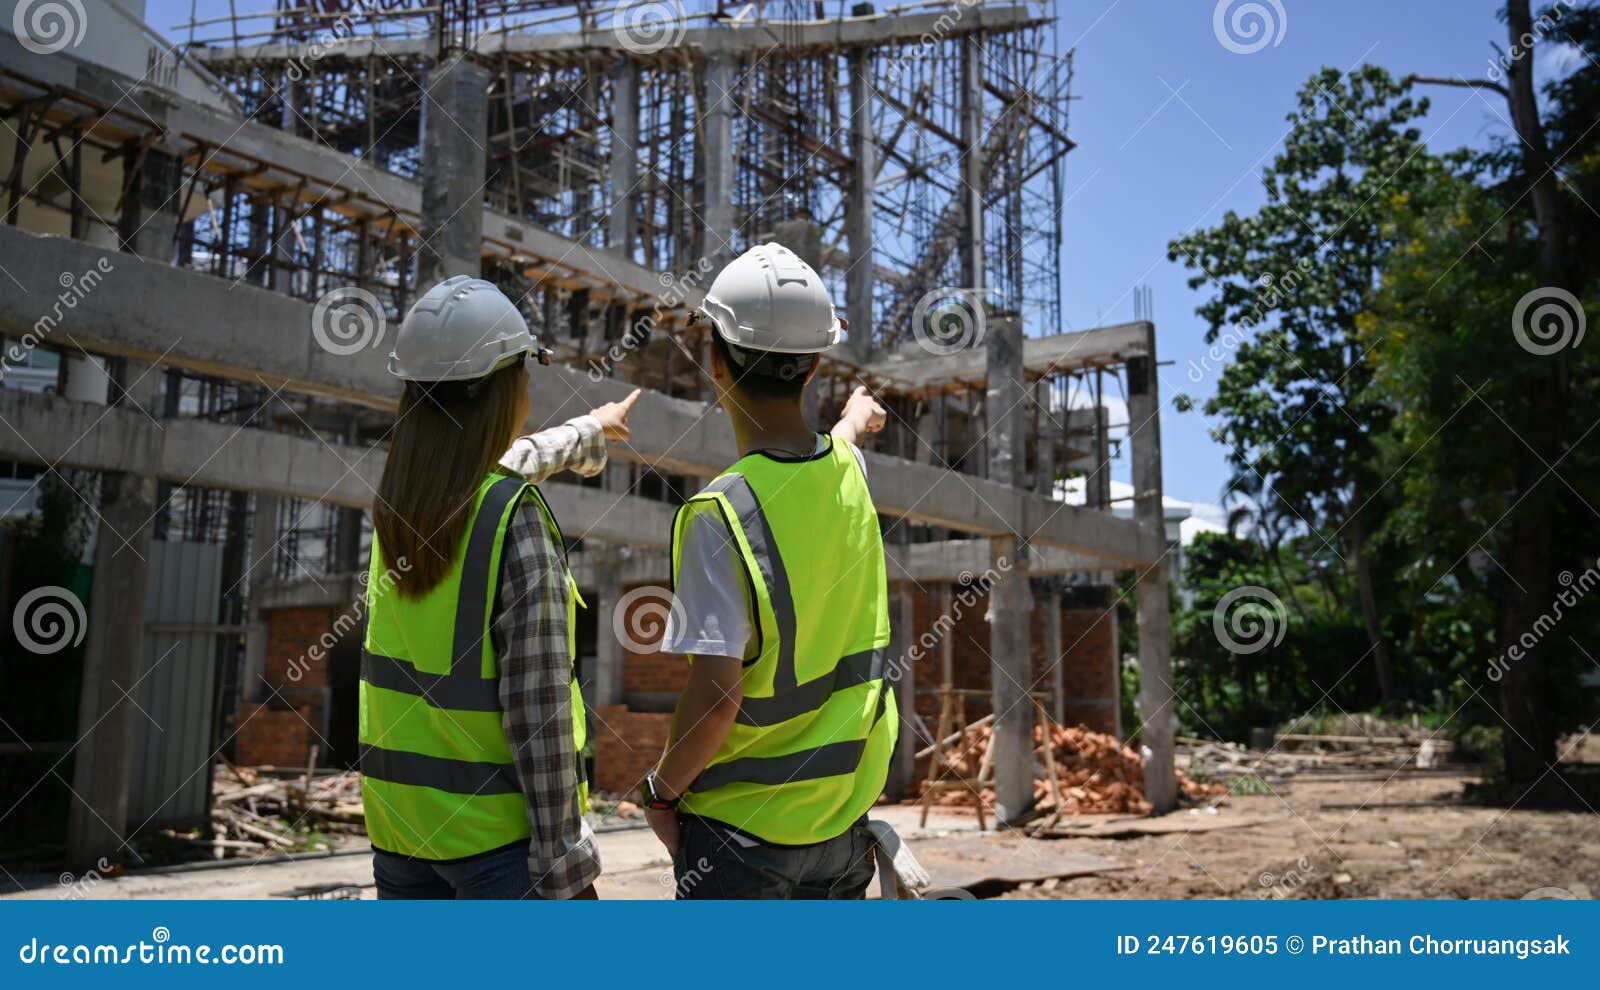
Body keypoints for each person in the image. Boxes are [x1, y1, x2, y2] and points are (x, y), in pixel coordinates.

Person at [359, 275, 639, 899]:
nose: (529, 385)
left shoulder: (400, 506)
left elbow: (498, 460)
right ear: (499, 391)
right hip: (498, 847)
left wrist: (589, 430)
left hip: (401, 833)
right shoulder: (513, 519)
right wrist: (564, 855)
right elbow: (536, 711)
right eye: (524, 370)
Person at [638, 242, 894, 899]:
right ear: (813, 366)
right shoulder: (851, 481)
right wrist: (854, 418)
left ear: (715, 363)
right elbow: (840, 450)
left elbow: (719, 696)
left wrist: (660, 792)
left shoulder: (719, 513)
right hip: (842, 829)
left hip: (740, 841)